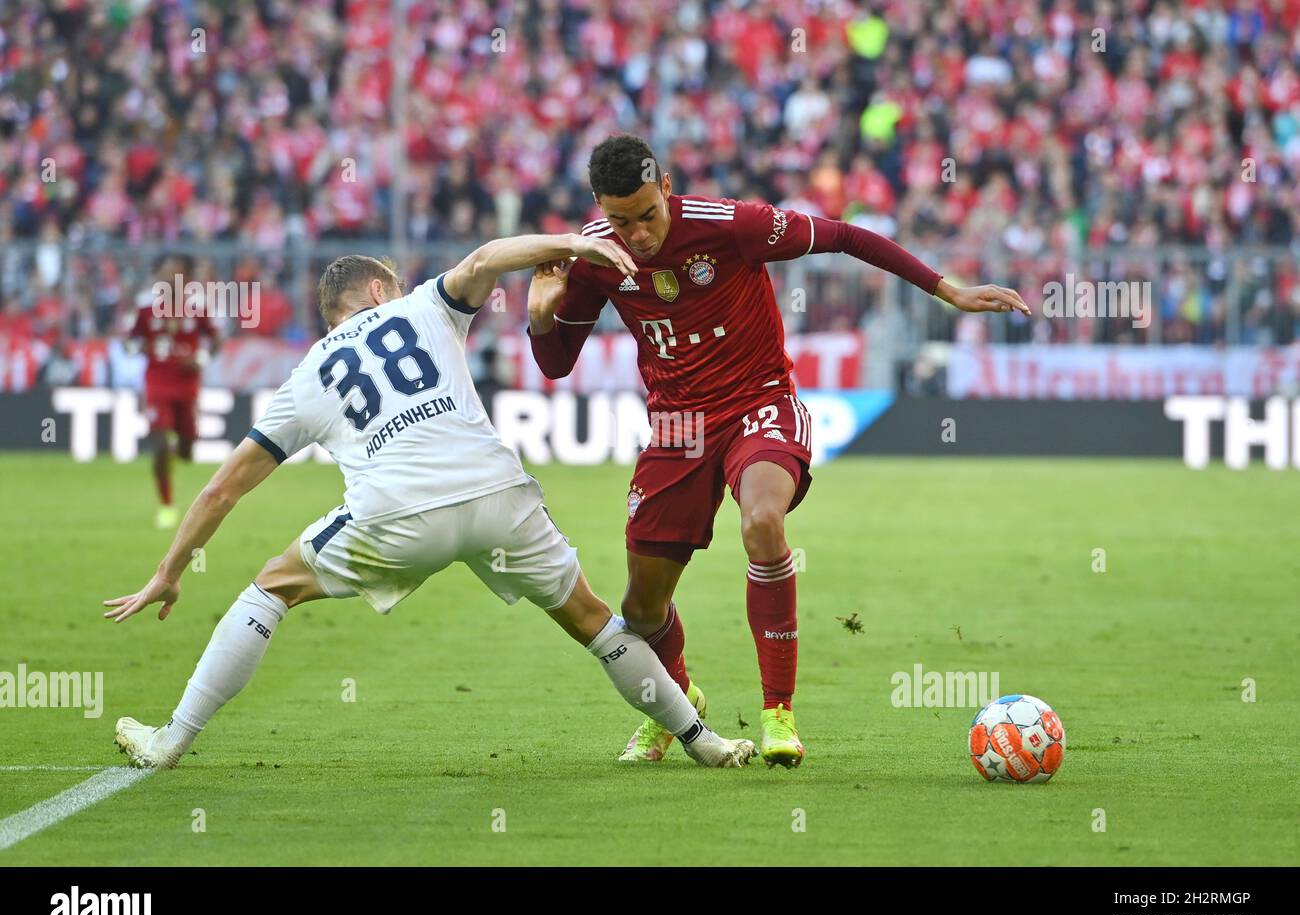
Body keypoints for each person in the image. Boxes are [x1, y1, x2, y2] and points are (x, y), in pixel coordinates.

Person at [104, 235, 757, 770]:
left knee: (269, 590)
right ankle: (706, 742)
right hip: (499, 497)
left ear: (332, 312)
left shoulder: (308, 376)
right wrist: (564, 244)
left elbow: (223, 488)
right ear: (381, 289)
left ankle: (172, 740)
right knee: (592, 620)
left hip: (397, 513)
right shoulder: (423, 306)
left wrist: (168, 570)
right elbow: (483, 260)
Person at [527, 134, 1031, 767]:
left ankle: (778, 712)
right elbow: (554, 363)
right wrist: (542, 315)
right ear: (600, 205)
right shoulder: (593, 252)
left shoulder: (732, 224)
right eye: (622, 221)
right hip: (678, 425)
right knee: (640, 605)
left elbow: (846, 236)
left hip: (757, 401)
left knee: (763, 522)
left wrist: (945, 290)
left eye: (648, 215)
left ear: (666, 188)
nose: (639, 235)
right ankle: (676, 703)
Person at [124, 255, 219, 529]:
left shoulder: (197, 306)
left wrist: (200, 359)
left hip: (187, 385)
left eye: (174, 274)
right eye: (164, 274)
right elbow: (128, 343)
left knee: (187, 449)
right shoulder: (145, 307)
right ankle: (166, 505)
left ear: (186, 279)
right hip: (157, 382)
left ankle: (178, 453)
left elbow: (215, 341)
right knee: (160, 445)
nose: (167, 280)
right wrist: (139, 349)